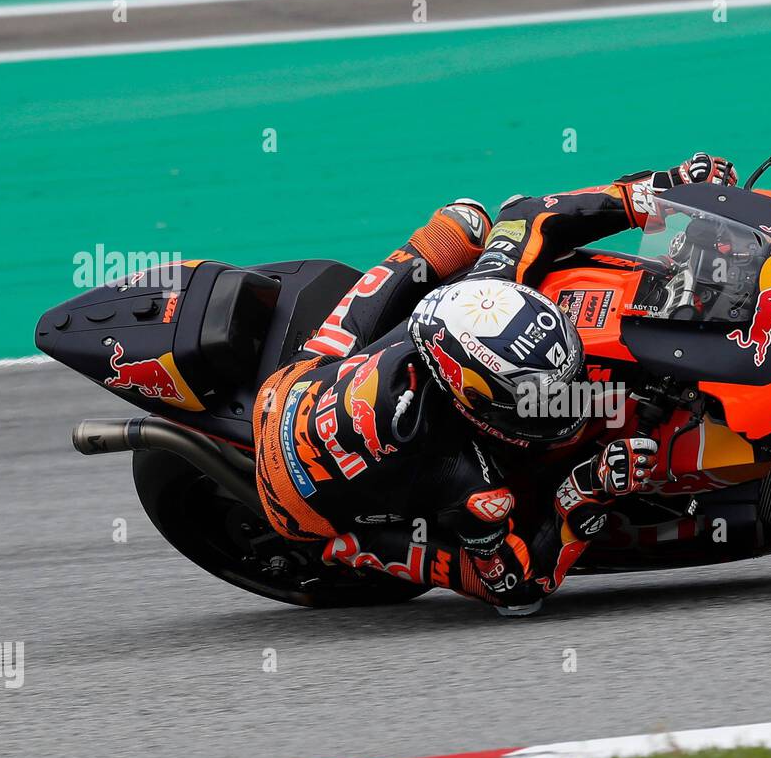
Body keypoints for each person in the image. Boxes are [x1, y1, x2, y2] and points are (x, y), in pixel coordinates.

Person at [253, 153, 738, 613]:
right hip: (298, 495)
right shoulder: (463, 479)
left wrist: (657, 192)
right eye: (542, 398)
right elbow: (515, 585)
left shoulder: (483, 291)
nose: (567, 401)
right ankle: (343, 549)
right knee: (484, 537)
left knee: (464, 225)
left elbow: (527, 215)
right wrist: (585, 490)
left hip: (302, 377)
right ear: (475, 405)